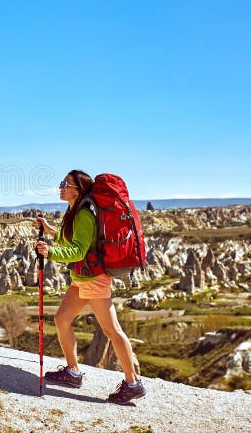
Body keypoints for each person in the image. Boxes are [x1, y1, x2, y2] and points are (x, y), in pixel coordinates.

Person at [35, 169, 146, 404]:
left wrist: (50, 252)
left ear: (78, 188)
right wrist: (51, 232)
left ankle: (133, 383)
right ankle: (73, 373)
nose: (61, 187)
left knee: (112, 331)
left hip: (94, 280)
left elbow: (78, 251)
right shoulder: (73, 210)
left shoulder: (84, 214)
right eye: (62, 182)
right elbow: (71, 241)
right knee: (62, 319)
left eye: (66, 183)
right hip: (82, 278)